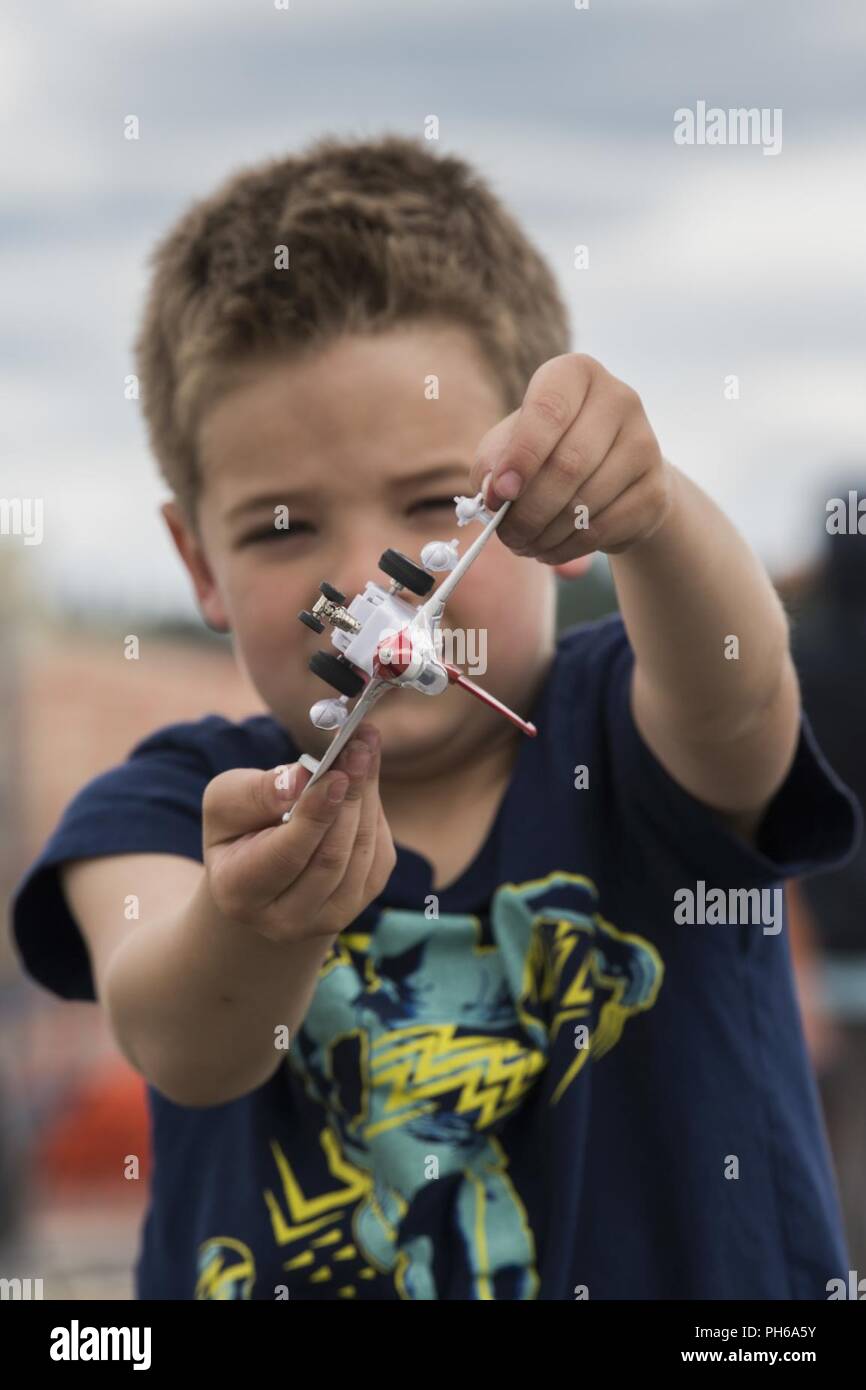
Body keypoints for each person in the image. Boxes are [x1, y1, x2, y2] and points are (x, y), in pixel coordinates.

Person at [9, 134, 862, 1300]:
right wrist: (254, 927)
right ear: (193, 563)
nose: (367, 579)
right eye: (278, 528)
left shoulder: (634, 729)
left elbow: (743, 696)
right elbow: (184, 1042)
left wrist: (650, 513)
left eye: (432, 500)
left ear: (545, 493)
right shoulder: (162, 806)